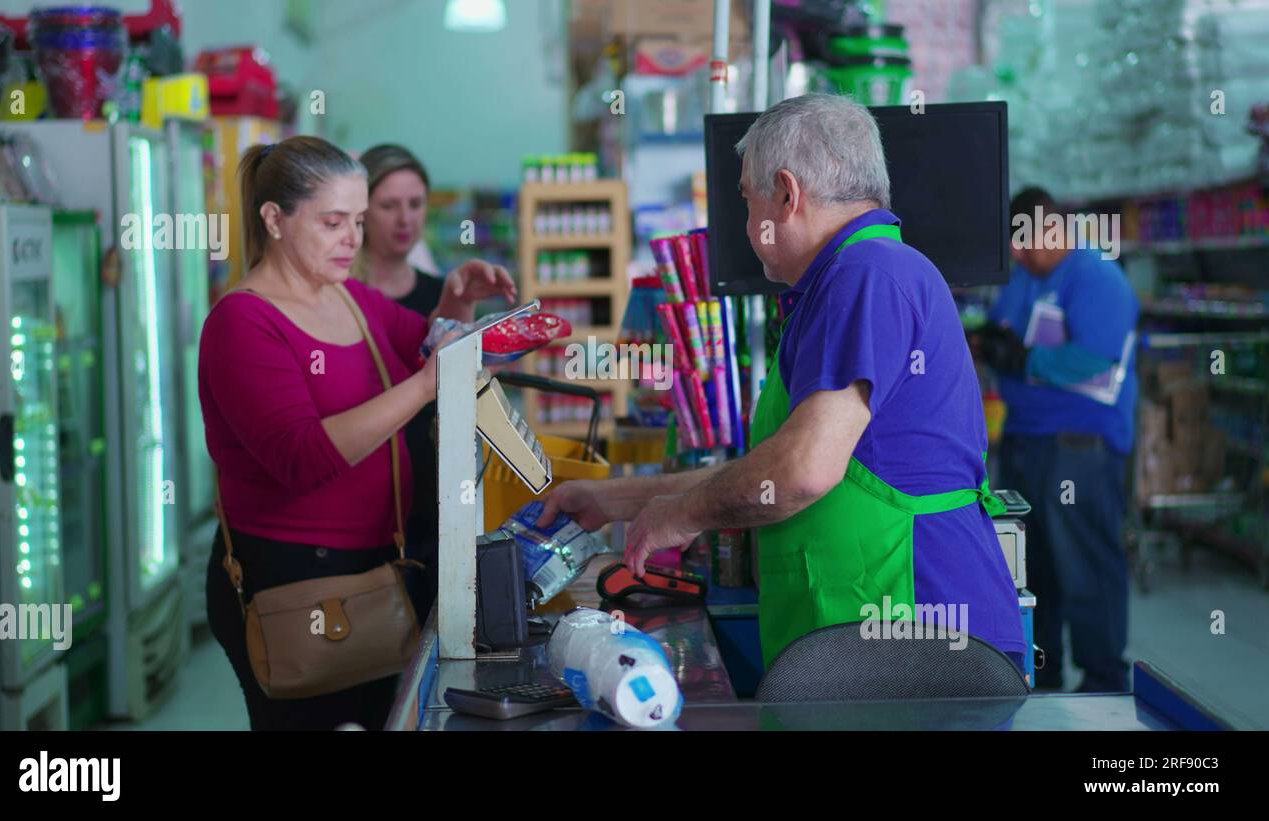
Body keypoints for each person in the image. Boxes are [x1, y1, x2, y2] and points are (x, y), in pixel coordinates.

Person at [539, 94, 1026, 672]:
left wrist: (683, 514)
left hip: (914, 629)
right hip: (881, 631)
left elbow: (803, 470)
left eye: (747, 201)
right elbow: (775, 463)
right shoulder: (851, 279)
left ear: (788, 195)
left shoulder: (866, 275)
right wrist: (611, 501)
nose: (744, 226)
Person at [199, 136, 515, 730]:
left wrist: (455, 300)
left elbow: (423, 341)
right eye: (333, 222)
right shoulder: (242, 322)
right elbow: (301, 457)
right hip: (292, 582)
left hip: (375, 572)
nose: (353, 238)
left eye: (359, 221)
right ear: (274, 219)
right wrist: (424, 386)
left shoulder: (348, 297)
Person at [972, 187, 1138, 693]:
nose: (1018, 255)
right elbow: (1005, 328)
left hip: (1079, 445)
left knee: (1085, 562)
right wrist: (988, 341)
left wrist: (1028, 361)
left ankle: (1103, 678)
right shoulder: (1025, 277)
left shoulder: (1097, 277)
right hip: (1025, 439)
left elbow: (1099, 355)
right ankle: (1042, 675)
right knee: (1032, 569)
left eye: (1024, 243)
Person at [351, 143, 511, 626]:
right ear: (360, 211)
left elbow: (454, 381)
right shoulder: (341, 300)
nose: (405, 219)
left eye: (415, 204)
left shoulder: (437, 291)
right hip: (363, 499)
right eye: (388, 205)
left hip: (429, 493)